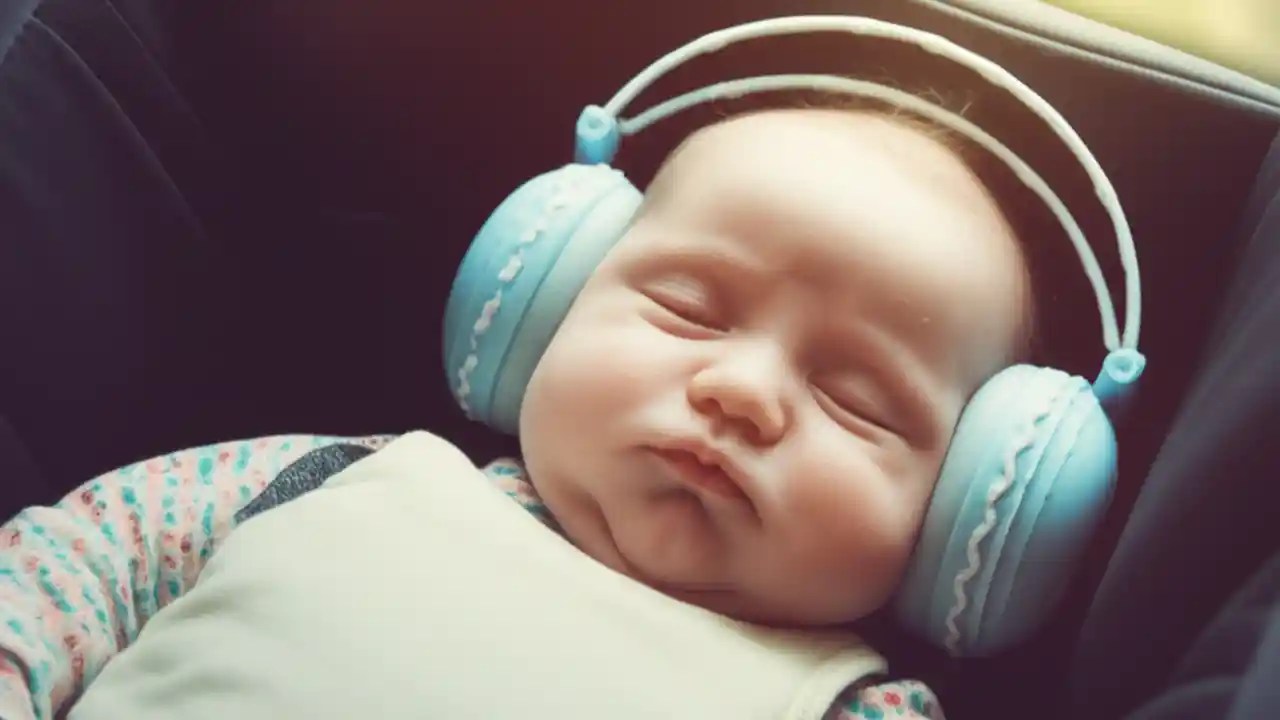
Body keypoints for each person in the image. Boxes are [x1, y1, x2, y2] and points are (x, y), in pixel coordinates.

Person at [0, 99, 1047, 719]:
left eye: (853, 402)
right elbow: (77, 563)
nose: (744, 393)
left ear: (960, 521)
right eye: (686, 309)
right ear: (545, 307)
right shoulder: (340, 475)